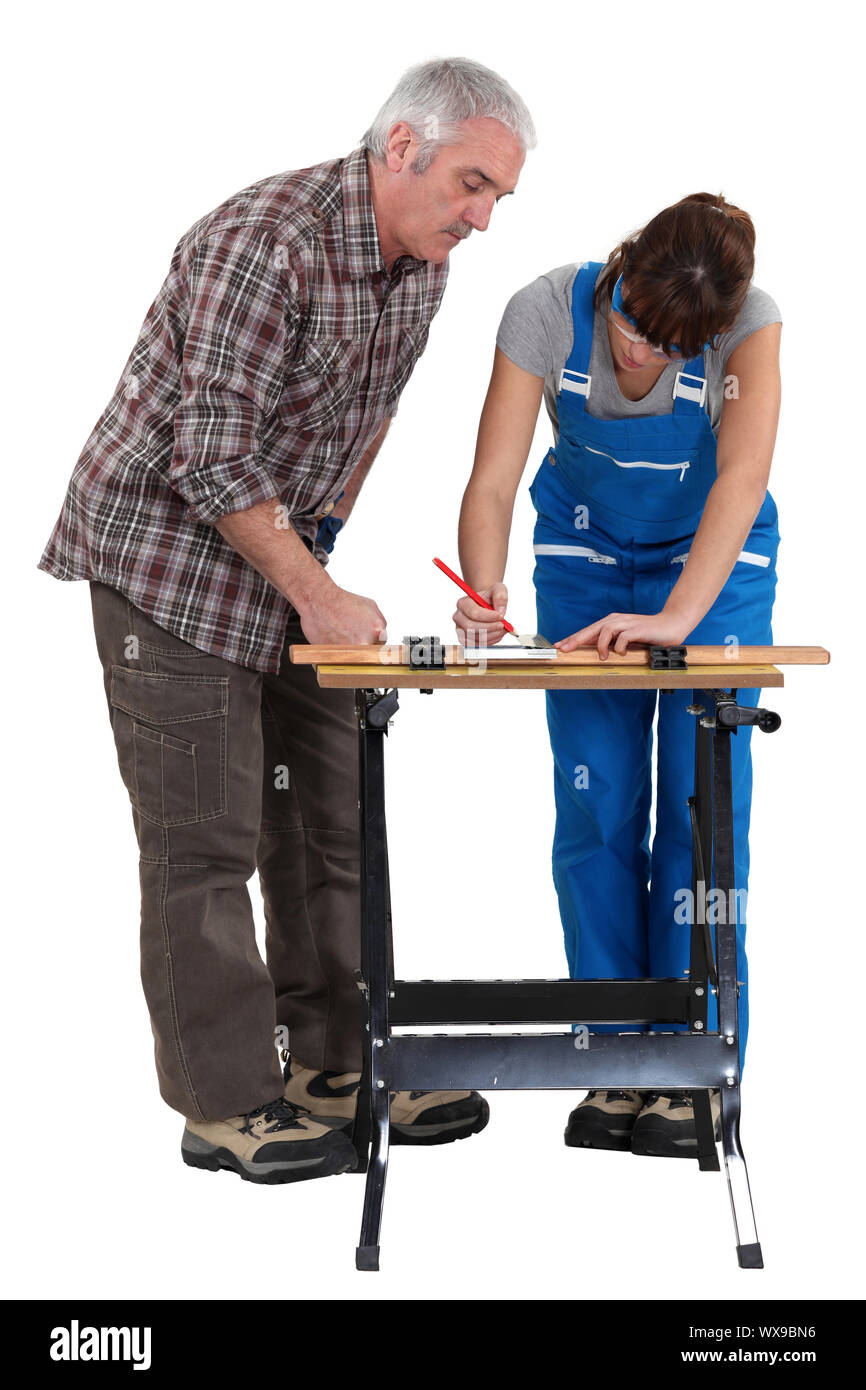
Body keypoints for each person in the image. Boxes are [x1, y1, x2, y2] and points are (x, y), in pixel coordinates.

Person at [37, 58, 535, 1185]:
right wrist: (314, 590)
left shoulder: (420, 271)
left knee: (327, 813)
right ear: (399, 147)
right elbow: (208, 456)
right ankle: (223, 1103)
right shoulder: (265, 240)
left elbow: (368, 418)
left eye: (499, 199)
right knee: (204, 839)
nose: (481, 216)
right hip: (161, 560)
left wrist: (320, 559)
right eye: (471, 184)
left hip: (275, 558)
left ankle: (336, 1064)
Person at [454, 194, 781, 1158]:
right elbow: (494, 477)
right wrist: (483, 590)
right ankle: (614, 1049)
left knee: (700, 812)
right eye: (633, 330)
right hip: (588, 561)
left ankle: (693, 1062)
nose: (641, 359)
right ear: (622, 270)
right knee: (594, 811)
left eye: (673, 353)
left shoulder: (752, 327)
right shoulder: (545, 312)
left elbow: (743, 476)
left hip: (711, 575)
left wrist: (677, 618)